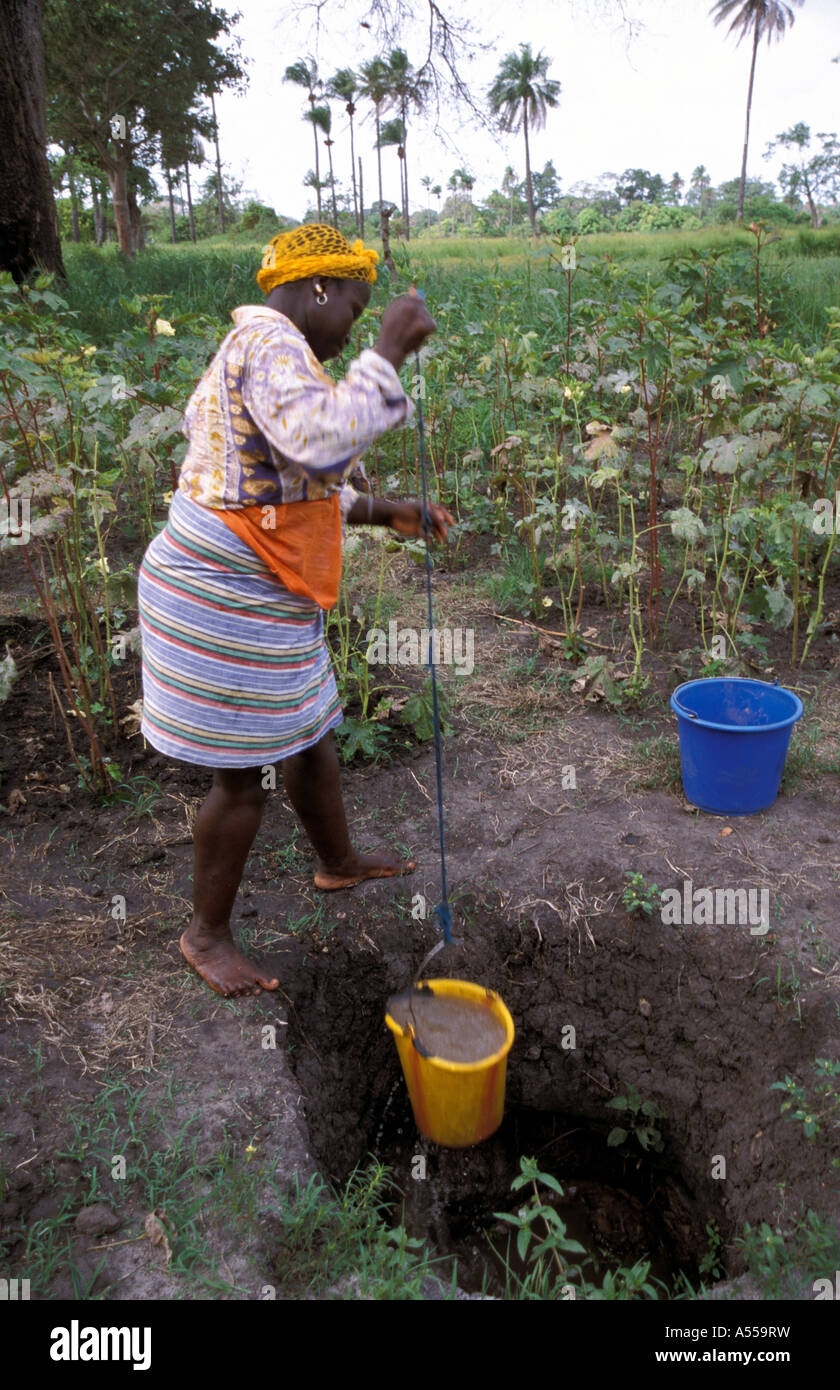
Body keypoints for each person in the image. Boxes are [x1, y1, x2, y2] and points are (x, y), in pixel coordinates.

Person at [137, 224, 451, 999]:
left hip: (263, 590)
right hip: (219, 592)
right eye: (355, 306)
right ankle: (205, 935)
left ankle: (336, 864)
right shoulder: (271, 346)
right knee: (241, 777)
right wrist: (387, 352)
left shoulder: (271, 351)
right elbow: (316, 444)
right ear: (319, 289)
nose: (352, 327)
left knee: (311, 733)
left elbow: (285, 476)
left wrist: (386, 510)